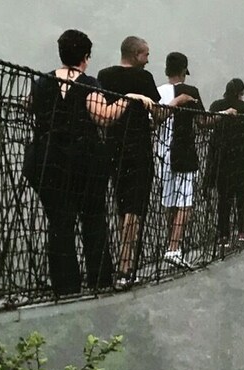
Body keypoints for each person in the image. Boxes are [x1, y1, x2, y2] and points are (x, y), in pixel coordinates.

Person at [24, 29, 152, 294]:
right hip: (84, 161)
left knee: (60, 222)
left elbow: (30, 106)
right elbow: (102, 116)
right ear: (85, 57)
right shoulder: (88, 84)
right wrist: (129, 99)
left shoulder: (42, 82)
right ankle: (99, 279)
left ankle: (65, 285)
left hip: (46, 160)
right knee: (93, 219)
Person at [96, 36, 188, 286]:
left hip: (113, 148)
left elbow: (100, 108)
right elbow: (157, 114)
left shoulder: (104, 75)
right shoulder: (143, 78)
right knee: (135, 208)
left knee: (121, 204)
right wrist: (177, 102)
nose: (148, 59)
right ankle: (126, 268)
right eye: (146, 54)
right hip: (138, 149)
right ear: (136, 54)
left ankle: (121, 261)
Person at [156, 52, 204, 268]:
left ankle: (170, 244)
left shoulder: (157, 91)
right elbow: (203, 122)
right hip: (184, 152)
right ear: (184, 70)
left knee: (169, 202)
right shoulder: (190, 91)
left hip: (162, 154)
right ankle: (174, 248)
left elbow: (154, 120)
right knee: (185, 202)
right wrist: (226, 113)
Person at [204, 79, 244, 248]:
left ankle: (223, 235)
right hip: (242, 159)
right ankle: (242, 232)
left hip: (221, 158)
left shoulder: (217, 105)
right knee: (242, 197)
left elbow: (208, 123)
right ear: (241, 92)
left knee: (224, 198)